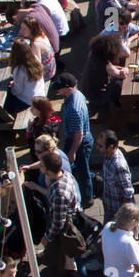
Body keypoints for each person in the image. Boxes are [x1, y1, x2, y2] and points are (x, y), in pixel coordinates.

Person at [36, 149, 91, 277]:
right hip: (72, 221)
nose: (40, 167)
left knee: (77, 260)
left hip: (69, 229)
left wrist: (47, 238)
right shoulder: (65, 176)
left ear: (48, 170)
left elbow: (58, 222)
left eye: (42, 165)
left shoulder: (59, 192)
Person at [56, 72, 93, 207]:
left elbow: (79, 134)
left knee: (82, 171)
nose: (57, 90)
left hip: (78, 143)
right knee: (82, 168)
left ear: (69, 88)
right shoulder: (78, 94)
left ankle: (87, 198)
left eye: (60, 88)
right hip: (80, 139)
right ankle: (92, 179)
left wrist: (72, 151)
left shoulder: (73, 109)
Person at [96, 128, 134, 224]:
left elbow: (127, 191)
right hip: (109, 204)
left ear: (110, 147)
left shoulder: (118, 166)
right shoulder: (107, 155)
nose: (97, 148)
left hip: (118, 210)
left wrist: (121, 214)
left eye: (100, 146)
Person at [5, 38, 47, 116]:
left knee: (7, 99)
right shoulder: (35, 58)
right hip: (40, 93)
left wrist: (11, 88)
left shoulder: (19, 70)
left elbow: (18, 90)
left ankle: (7, 114)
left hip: (29, 100)